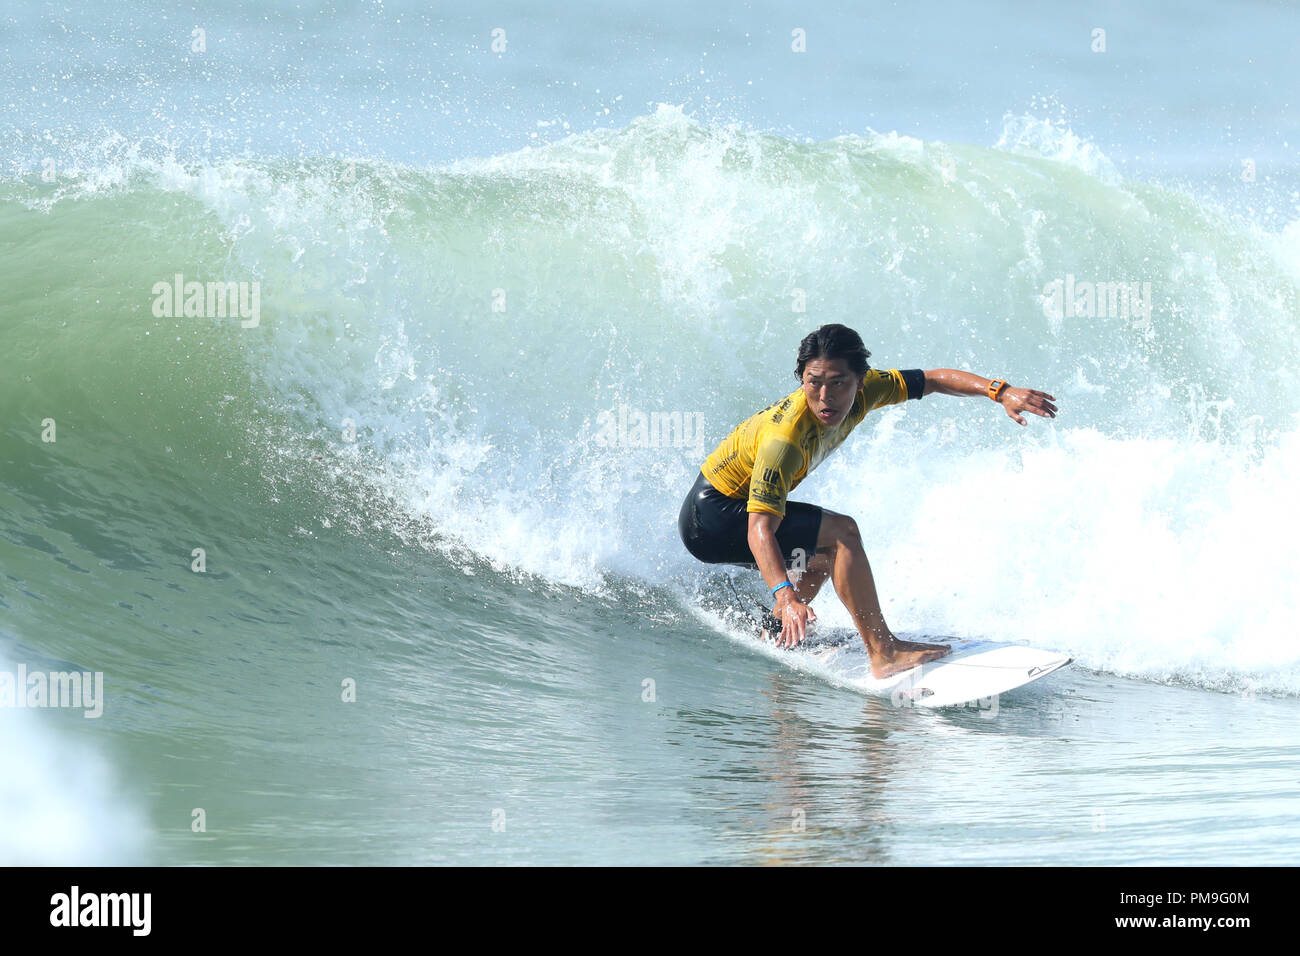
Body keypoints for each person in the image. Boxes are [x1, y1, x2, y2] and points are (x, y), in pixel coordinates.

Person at [678, 324, 1058, 679]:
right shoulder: (784, 441)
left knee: (826, 557)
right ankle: (883, 652)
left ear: (860, 382)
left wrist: (1000, 391)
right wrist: (785, 594)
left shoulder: (872, 388)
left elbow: (934, 379)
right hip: (712, 517)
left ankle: (776, 632)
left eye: (838, 383)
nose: (825, 398)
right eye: (813, 383)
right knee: (842, 533)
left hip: (728, 509)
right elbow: (759, 529)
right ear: (802, 380)